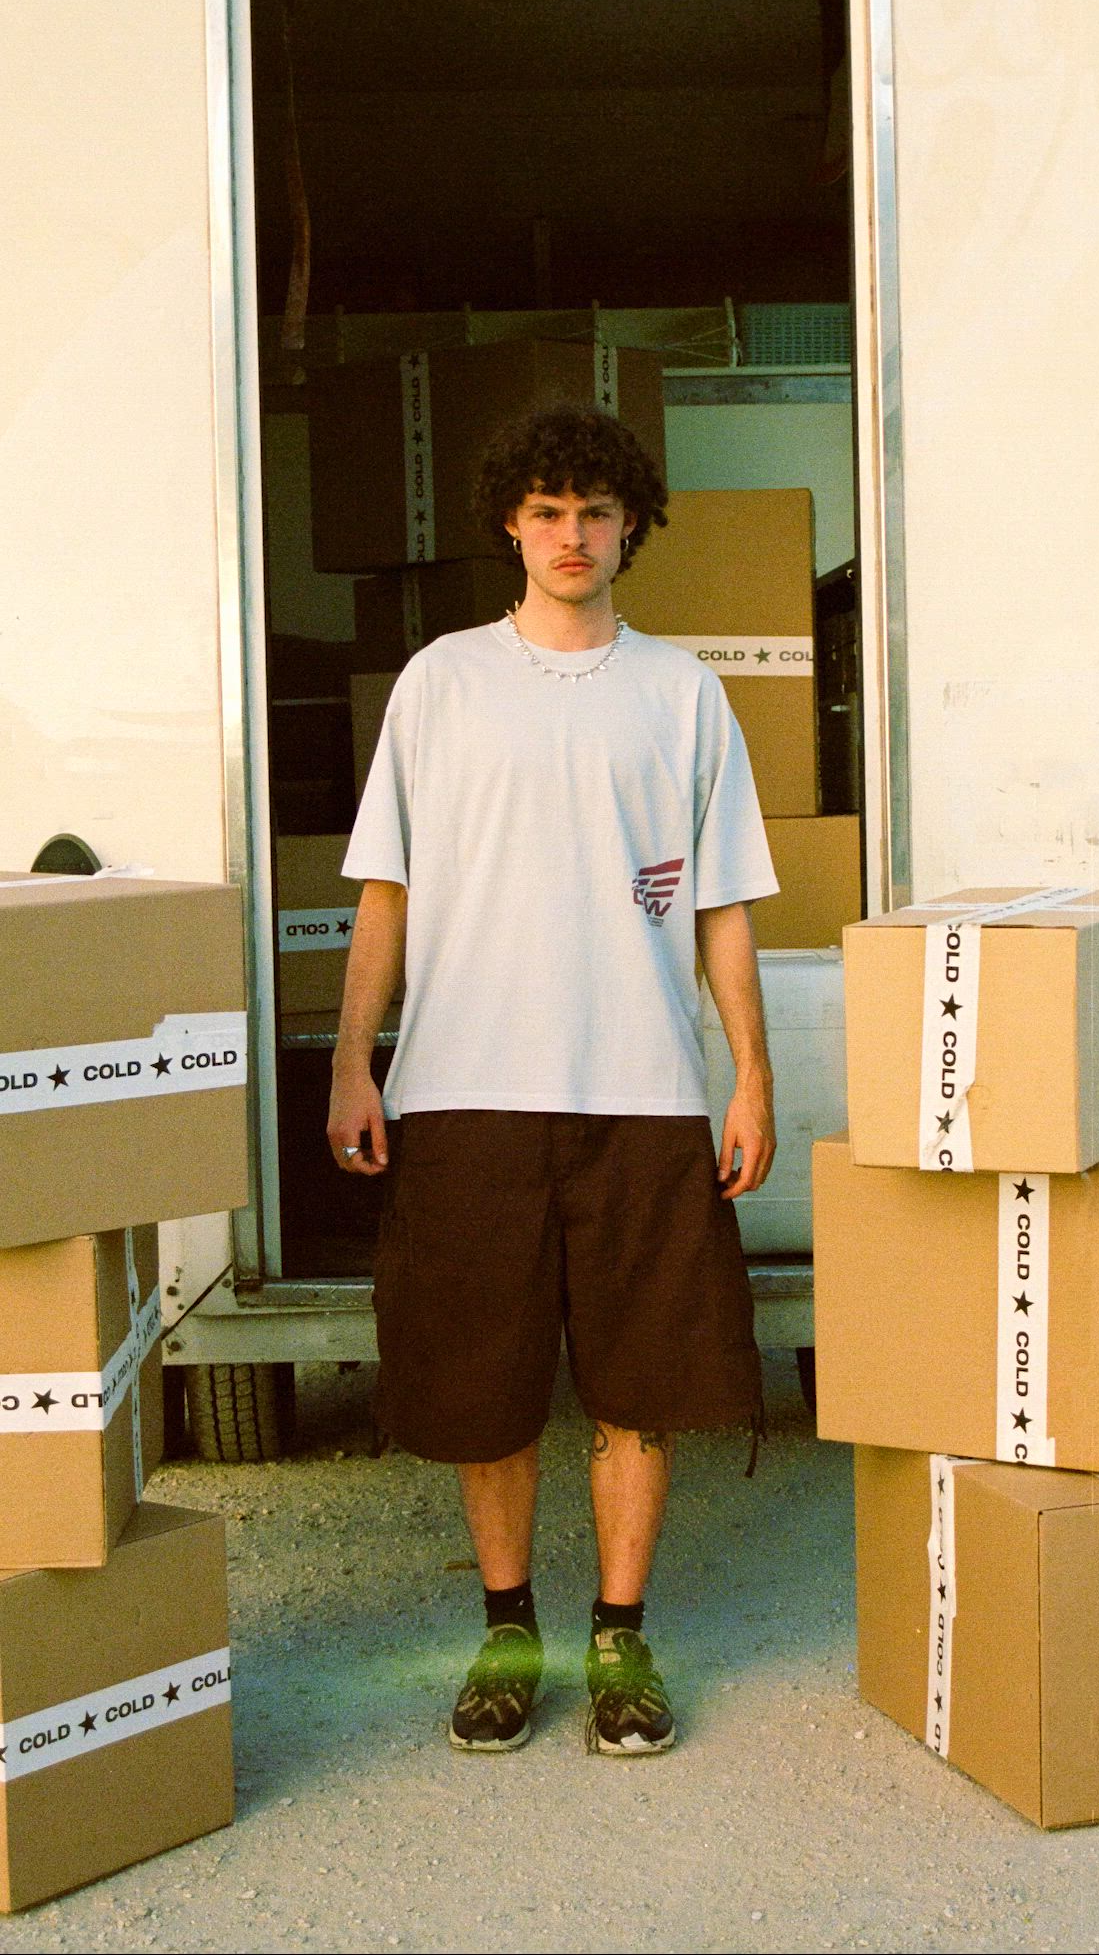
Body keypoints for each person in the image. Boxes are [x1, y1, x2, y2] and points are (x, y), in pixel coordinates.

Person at [327, 402, 778, 1757]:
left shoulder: (681, 694)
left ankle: (620, 1640)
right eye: (542, 511)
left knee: (639, 1384)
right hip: (462, 1086)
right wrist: (356, 1061)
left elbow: (722, 909)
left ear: (628, 522)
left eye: (592, 511)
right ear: (507, 526)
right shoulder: (440, 683)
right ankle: (508, 1628)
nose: (569, 535)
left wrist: (747, 1079)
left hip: (641, 1091)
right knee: (484, 1381)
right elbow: (384, 893)